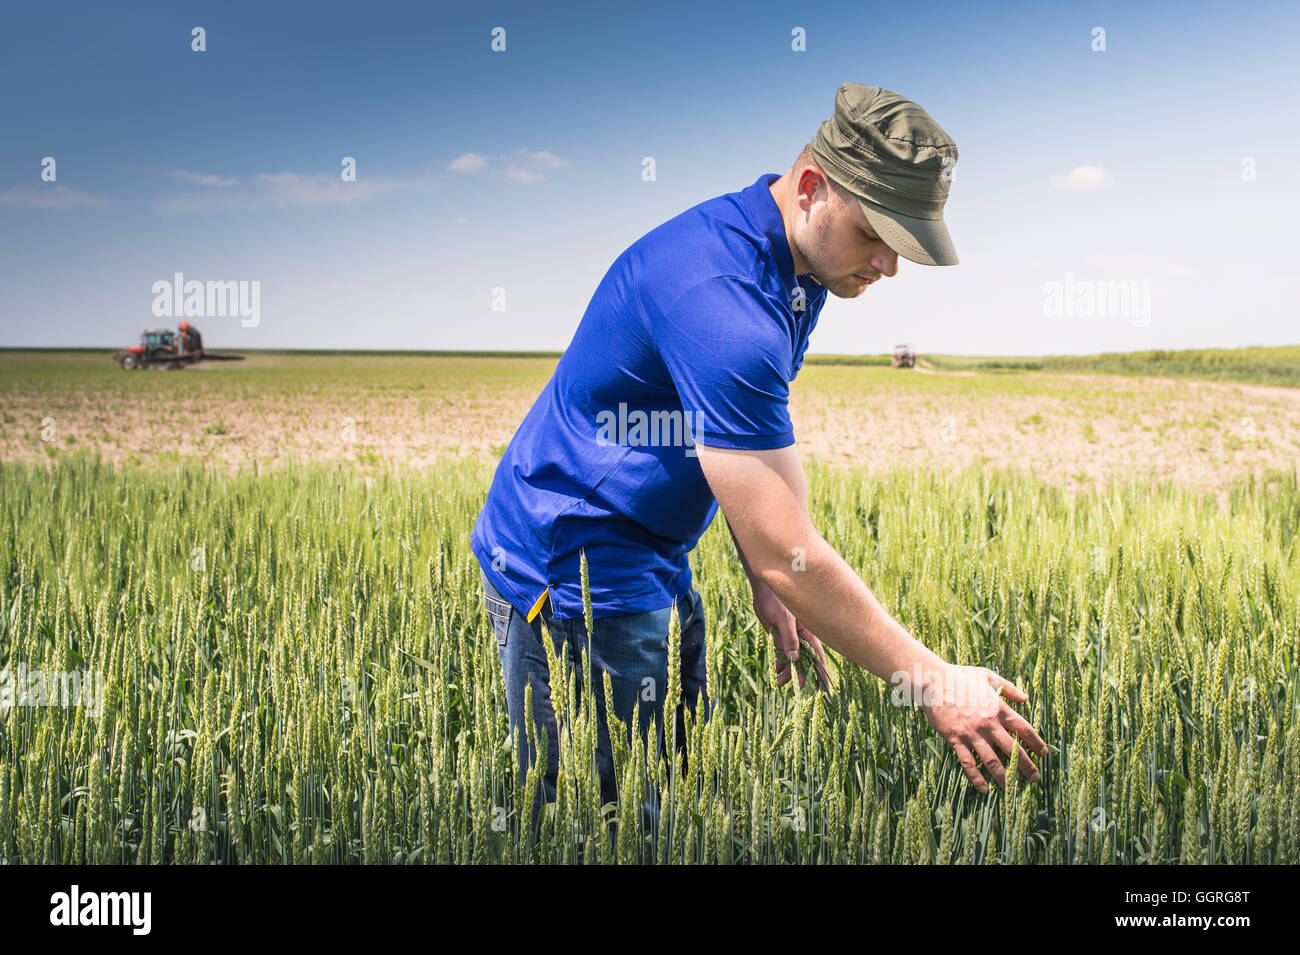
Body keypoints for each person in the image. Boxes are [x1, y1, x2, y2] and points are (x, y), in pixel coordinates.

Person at [472, 82, 1047, 833]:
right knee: (598, 821)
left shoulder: (800, 269)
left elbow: (738, 464)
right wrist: (930, 678)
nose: (889, 266)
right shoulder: (725, 300)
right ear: (812, 188)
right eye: (879, 234)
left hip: (653, 548)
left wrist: (774, 581)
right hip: (577, 564)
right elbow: (786, 544)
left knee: (668, 793)